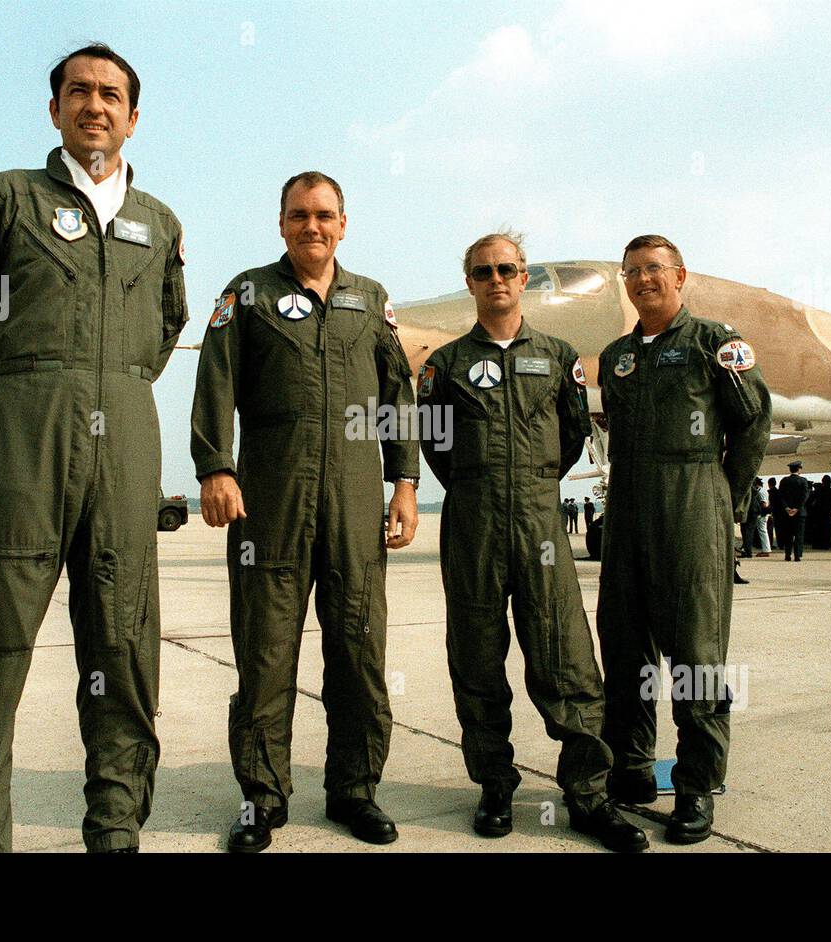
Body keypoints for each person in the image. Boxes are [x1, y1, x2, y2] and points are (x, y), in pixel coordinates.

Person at [0, 45, 186, 853]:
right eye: (79, 91)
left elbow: (166, 329)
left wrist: (108, 389)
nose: (94, 105)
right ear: (55, 109)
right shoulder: (3, 200)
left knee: (124, 639)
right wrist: (13, 397)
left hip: (126, 439)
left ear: (133, 116)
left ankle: (114, 830)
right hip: (23, 440)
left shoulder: (160, 222)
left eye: (111, 94)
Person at [191, 171, 420, 853]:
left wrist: (404, 481)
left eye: (324, 216)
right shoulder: (248, 293)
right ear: (281, 223)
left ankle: (356, 791)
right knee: (266, 654)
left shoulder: (369, 299)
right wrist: (216, 467)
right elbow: (216, 381)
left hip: (353, 503)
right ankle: (262, 799)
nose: (311, 227)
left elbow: (396, 396)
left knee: (358, 650)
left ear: (343, 224)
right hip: (272, 503)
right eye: (299, 215)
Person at [418, 231, 646, 852]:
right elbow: (435, 443)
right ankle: (494, 786)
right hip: (473, 525)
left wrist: (535, 484)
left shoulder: (559, 354)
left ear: (523, 279)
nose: (497, 279)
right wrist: (480, 483)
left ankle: (588, 794)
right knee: (477, 657)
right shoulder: (445, 366)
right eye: (484, 270)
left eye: (508, 269)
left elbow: (573, 435)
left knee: (567, 656)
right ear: (470, 282)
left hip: (542, 524)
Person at [596, 235, 771, 845]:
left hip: (692, 498)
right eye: (633, 272)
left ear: (679, 276)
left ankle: (697, 786)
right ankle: (633, 767)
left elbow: (752, 422)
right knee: (622, 643)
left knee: (695, 652)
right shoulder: (616, 355)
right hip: (627, 507)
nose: (643, 280)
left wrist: (727, 498)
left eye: (654, 270)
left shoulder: (714, 343)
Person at [777, 461, 811, 561]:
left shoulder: (784, 481)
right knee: (799, 535)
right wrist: (797, 508)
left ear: (790, 469)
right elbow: (804, 496)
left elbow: (781, 496)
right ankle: (797, 555)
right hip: (800, 513)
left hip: (787, 513)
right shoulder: (803, 481)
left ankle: (787, 555)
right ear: (799, 469)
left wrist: (786, 508)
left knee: (788, 534)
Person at [766, 476, 780, 552]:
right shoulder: (778, 492)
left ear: (769, 484)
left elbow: (771, 504)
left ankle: (770, 544)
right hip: (778, 513)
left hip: (772, 512)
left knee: (770, 530)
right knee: (779, 529)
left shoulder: (770, 492)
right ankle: (780, 543)